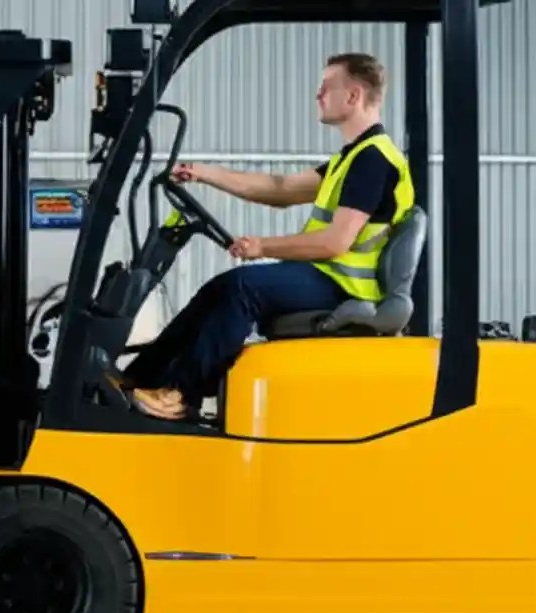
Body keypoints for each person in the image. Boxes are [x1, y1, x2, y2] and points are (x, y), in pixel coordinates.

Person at [123, 52, 417, 420]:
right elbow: (281, 189)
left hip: (346, 286)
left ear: (354, 96)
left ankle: (183, 395)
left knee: (243, 289)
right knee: (220, 288)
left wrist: (262, 246)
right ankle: (138, 378)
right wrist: (203, 173)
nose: (318, 94)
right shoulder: (355, 156)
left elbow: (334, 242)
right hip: (329, 274)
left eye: (327, 86)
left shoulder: (373, 160)